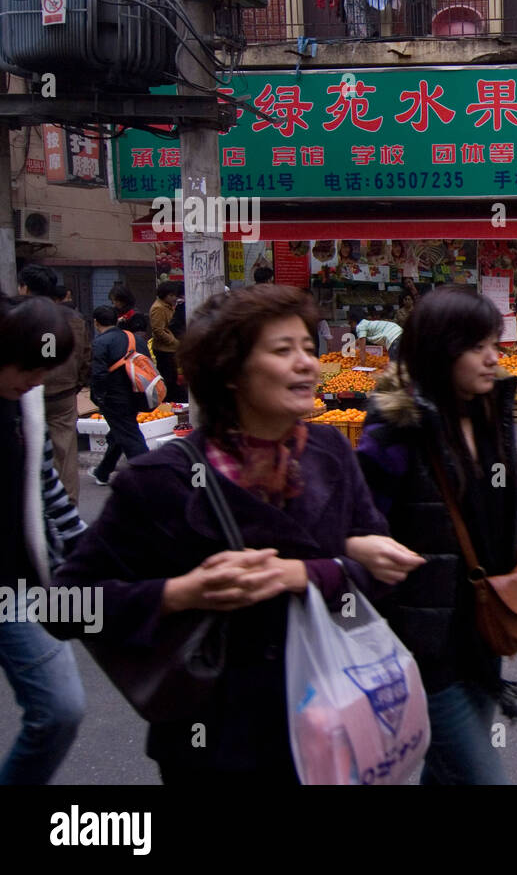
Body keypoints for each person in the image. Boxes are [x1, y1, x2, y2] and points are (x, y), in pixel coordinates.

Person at [53, 285, 423, 785]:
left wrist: (310, 572)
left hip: (334, 724)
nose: (307, 364)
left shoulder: (329, 452)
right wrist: (180, 593)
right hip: (218, 744)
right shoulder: (160, 480)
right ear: (229, 372)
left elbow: (373, 575)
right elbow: (65, 606)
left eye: (309, 349)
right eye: (282, 350)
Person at [355, 287, 517, 785]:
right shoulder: (397, 426)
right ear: (440, 349)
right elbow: (357, 518)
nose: (493, 357)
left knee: (447, 774)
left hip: (481, 632)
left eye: (493, 343)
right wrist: (359, 546)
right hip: (422, 645)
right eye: (478, 347)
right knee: (480, 777)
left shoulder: (490, 410)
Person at [0, 295, 88, 784]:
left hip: (15, 586)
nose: (36, 383)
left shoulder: (24, 400)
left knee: (60, 709)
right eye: (29, 370)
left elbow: (44, 481)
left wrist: (84, 543)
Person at [18, 265, 90, 505]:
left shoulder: (18, 315)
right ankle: (67, 503)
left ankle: (32, 504)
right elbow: (84, 356)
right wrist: (77, 384)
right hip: (64, 394)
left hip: (24, 393)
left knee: (25, 450)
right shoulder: (74, 319)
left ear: (24, 287)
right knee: (65, 451)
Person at [89, 305, 148, 486]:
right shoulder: (134, 339)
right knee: (120, 432)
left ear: (96, 322)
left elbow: (98, 375)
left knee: (130, 437)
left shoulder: (100, 343)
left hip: (114, 398)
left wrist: (97, 397)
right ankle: (103, 472)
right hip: (137, 394)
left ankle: (150, 474)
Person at [150, 282, 184, 402]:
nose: (174, 298)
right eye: (172, 295)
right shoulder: (158, 308)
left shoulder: (168, 306)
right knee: (168, 378)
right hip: (164, 349)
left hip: (171, 348)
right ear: (165, 295)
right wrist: (174, 342)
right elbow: (158, 330)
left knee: (174, 378)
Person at [109, 284, 151, 354]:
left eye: (117, 301)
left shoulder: (135, 315)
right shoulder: (113, 312)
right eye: (113, 301)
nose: (114, 303)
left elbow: (139, 338)